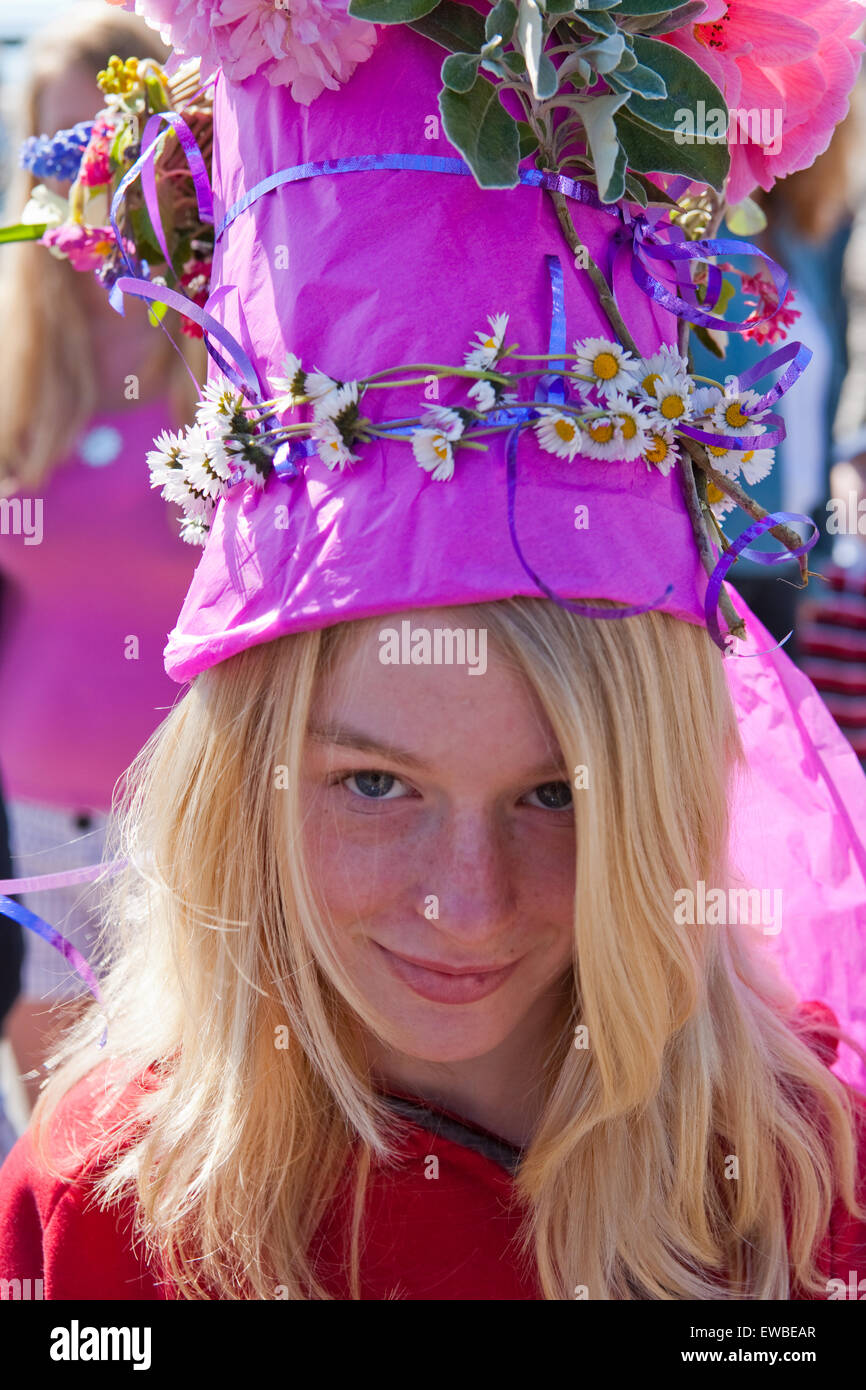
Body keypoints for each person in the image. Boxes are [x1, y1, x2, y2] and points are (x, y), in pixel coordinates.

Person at [1, 0, 865, 1302]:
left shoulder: (801, 1185)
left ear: (670, 785)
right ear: (241, 781)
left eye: (556, 792)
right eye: (373, 783)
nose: (464, 902)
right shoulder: (101, 1210)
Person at [0, 3, 202, 1106]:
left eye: (111, 150)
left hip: (188, 804)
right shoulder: (20, 357)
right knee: (53, 1110)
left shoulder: (219, 338)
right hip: (34, 798)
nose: (88, 184)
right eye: (60, 147)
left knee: (173, 1097)